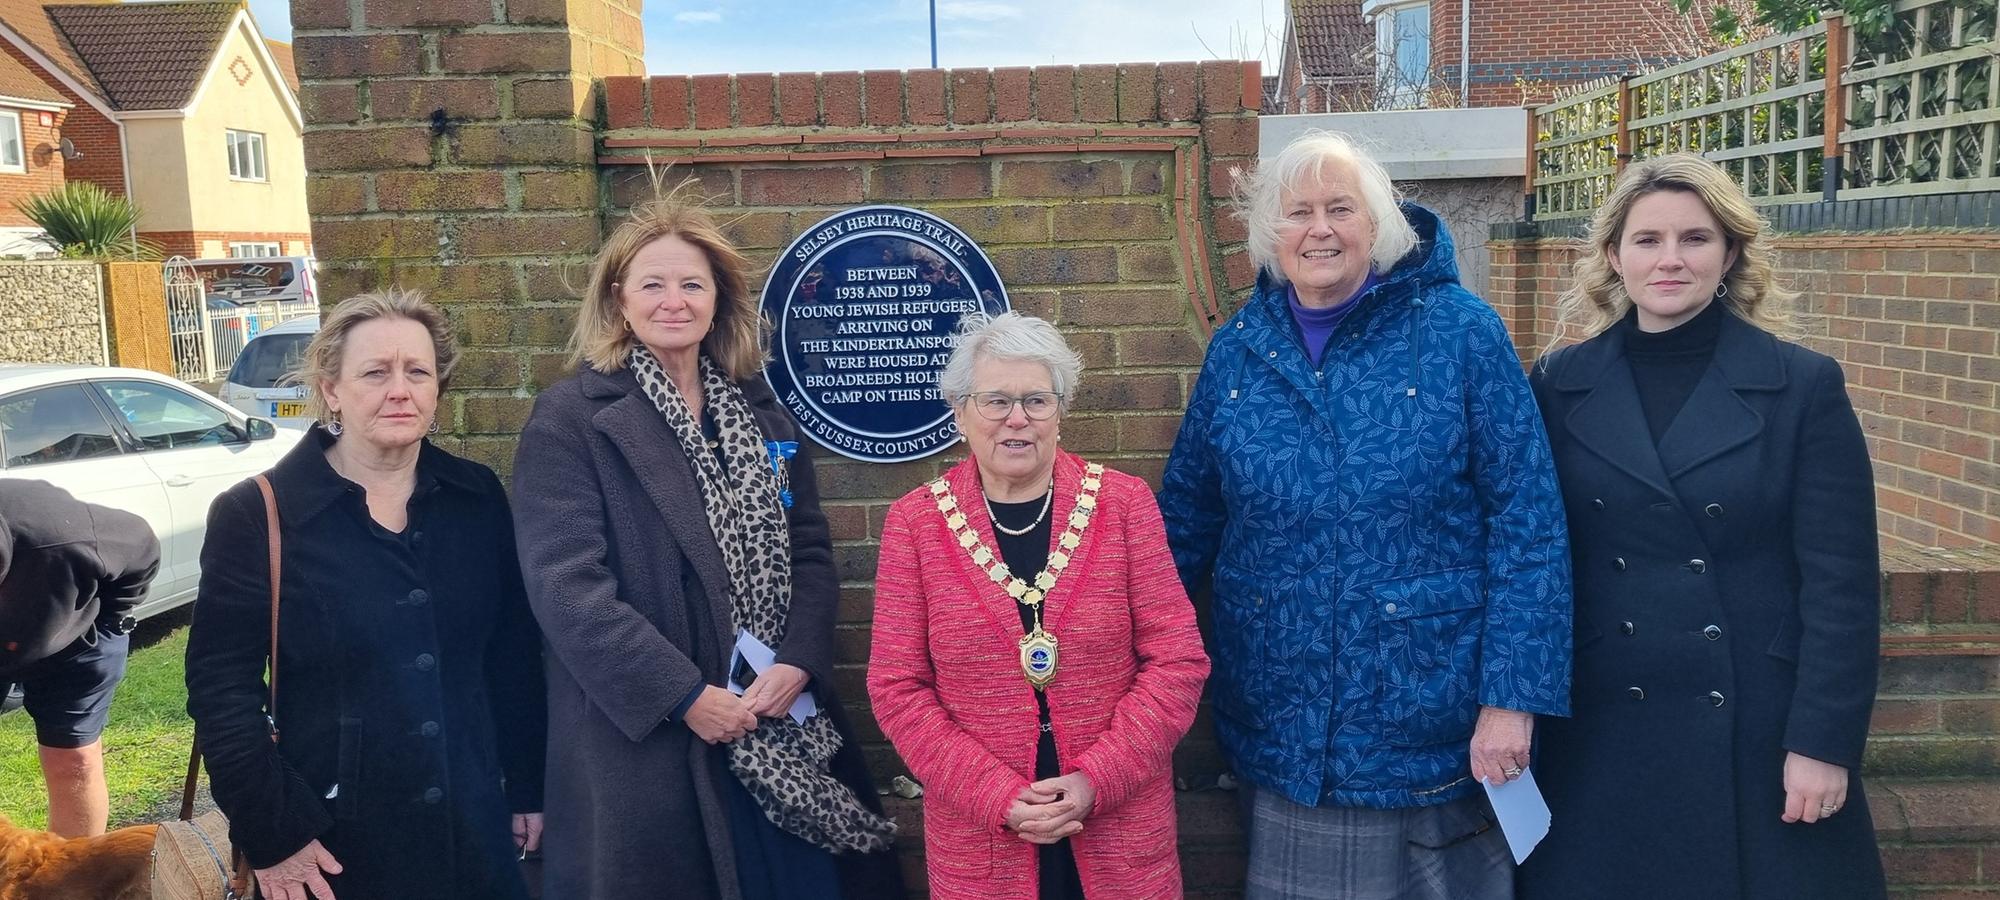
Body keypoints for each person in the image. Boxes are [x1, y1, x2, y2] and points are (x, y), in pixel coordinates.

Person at [1159, 130, 1573, 900]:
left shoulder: (1459, 332)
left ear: (1378, 224)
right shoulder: (1238, 352)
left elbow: (1529, 525)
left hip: (1431, 717)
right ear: (1268, 234)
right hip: (1283, 725)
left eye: (1340, 208)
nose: (1319, 229)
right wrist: (1121, 665)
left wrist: (1513, 700)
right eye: (1297, 212)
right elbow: (1184, 520)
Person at [1518, 153, 1887, 900]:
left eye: (1695, 238)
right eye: (1647, 240)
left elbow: (1842, 586)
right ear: (1614, 256)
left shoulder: (1801, 385)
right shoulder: (1558, 384)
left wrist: (1821, 742)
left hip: (1756, 728)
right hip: (1600, 727)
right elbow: (1529, 556)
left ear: (1729, 254)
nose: (1670, 259)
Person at [513, 196, 903, 900]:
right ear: (617, 298)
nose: (673, 301)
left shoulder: (761, 415)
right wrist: (685, 695)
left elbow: (809, 548)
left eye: (692, 284)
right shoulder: (572, 419)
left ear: (718, 300)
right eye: (653, 284)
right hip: (651, 744)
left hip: (779, 722)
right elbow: (565, 587)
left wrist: (799, 661)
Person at [185, 290, 547, 900]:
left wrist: (528, 787)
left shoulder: (476, 498)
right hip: (329, 847)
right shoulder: (260, 514)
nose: (399, 390)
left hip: (475, 829)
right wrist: (275, 833)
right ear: (331, 388)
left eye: (417, 372)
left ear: (438, 387)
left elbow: (511, 657)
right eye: (375, 373)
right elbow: (222, 690)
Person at [870, 311, 1210, 900]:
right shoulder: (916, 523)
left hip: (1117, 819)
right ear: (959, 412)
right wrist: (993, 795)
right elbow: (897, 687)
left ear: (1062, 410)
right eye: (995, 401)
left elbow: (1178, 662)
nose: (1017, 419)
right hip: (984, 835)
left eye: (1037, 400)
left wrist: (1095, 779)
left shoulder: (1124, 505)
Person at [0, 480, 158, 838]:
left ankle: (74, 881)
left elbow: (143, 548)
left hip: (75, 644)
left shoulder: (58, 537)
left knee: (73, 761)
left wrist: (105, 625)